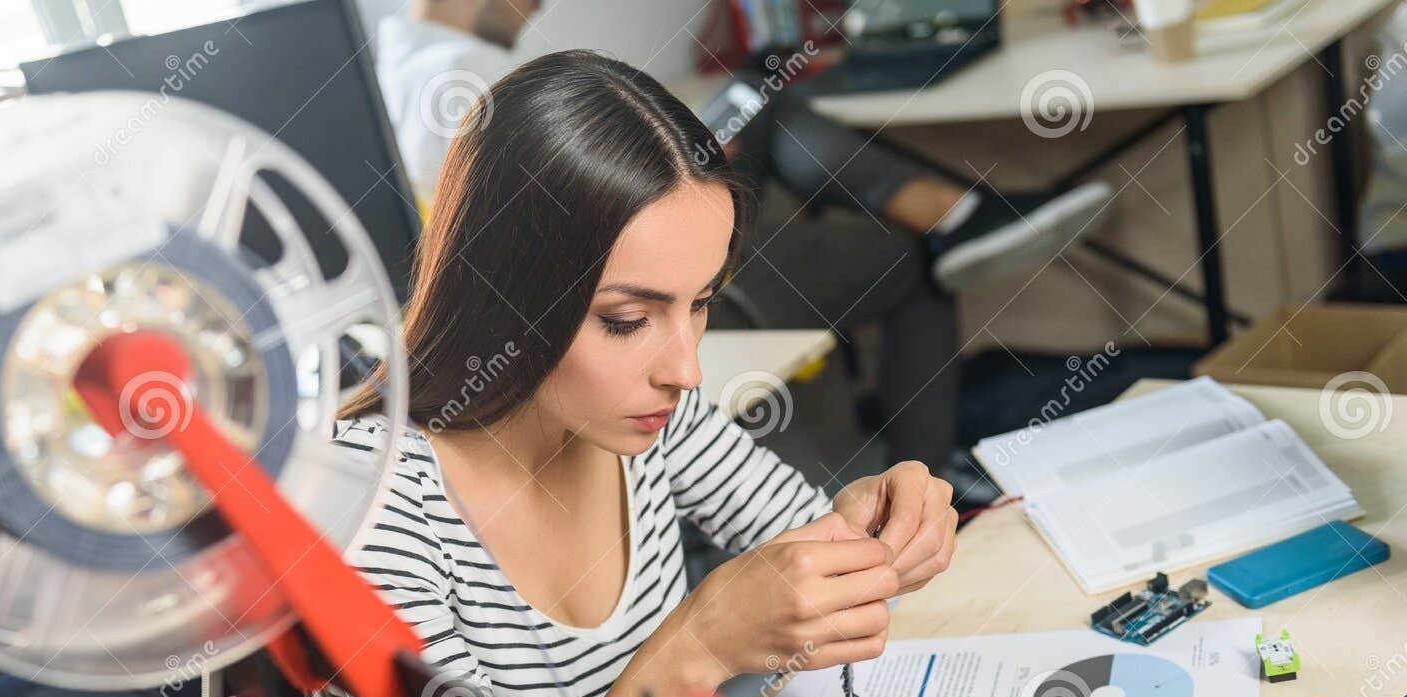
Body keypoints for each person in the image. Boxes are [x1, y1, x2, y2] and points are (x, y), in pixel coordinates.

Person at [325, 50, 957, 697]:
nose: (685, 369)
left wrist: (878, 529)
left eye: (700, 304)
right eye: (628, 320)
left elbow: (814, 556)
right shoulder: (374, 510)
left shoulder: (643, 414)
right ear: (502, 292)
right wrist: (697, 647)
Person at [371, 1, 1114, 472]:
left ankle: (956, 220)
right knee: (901, 257)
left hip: (637, 272)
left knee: (763, 101)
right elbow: (569, 224)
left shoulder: (397, 67)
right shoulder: (461, 76)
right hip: (644, 277)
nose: (537, 5)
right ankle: (928, 462)